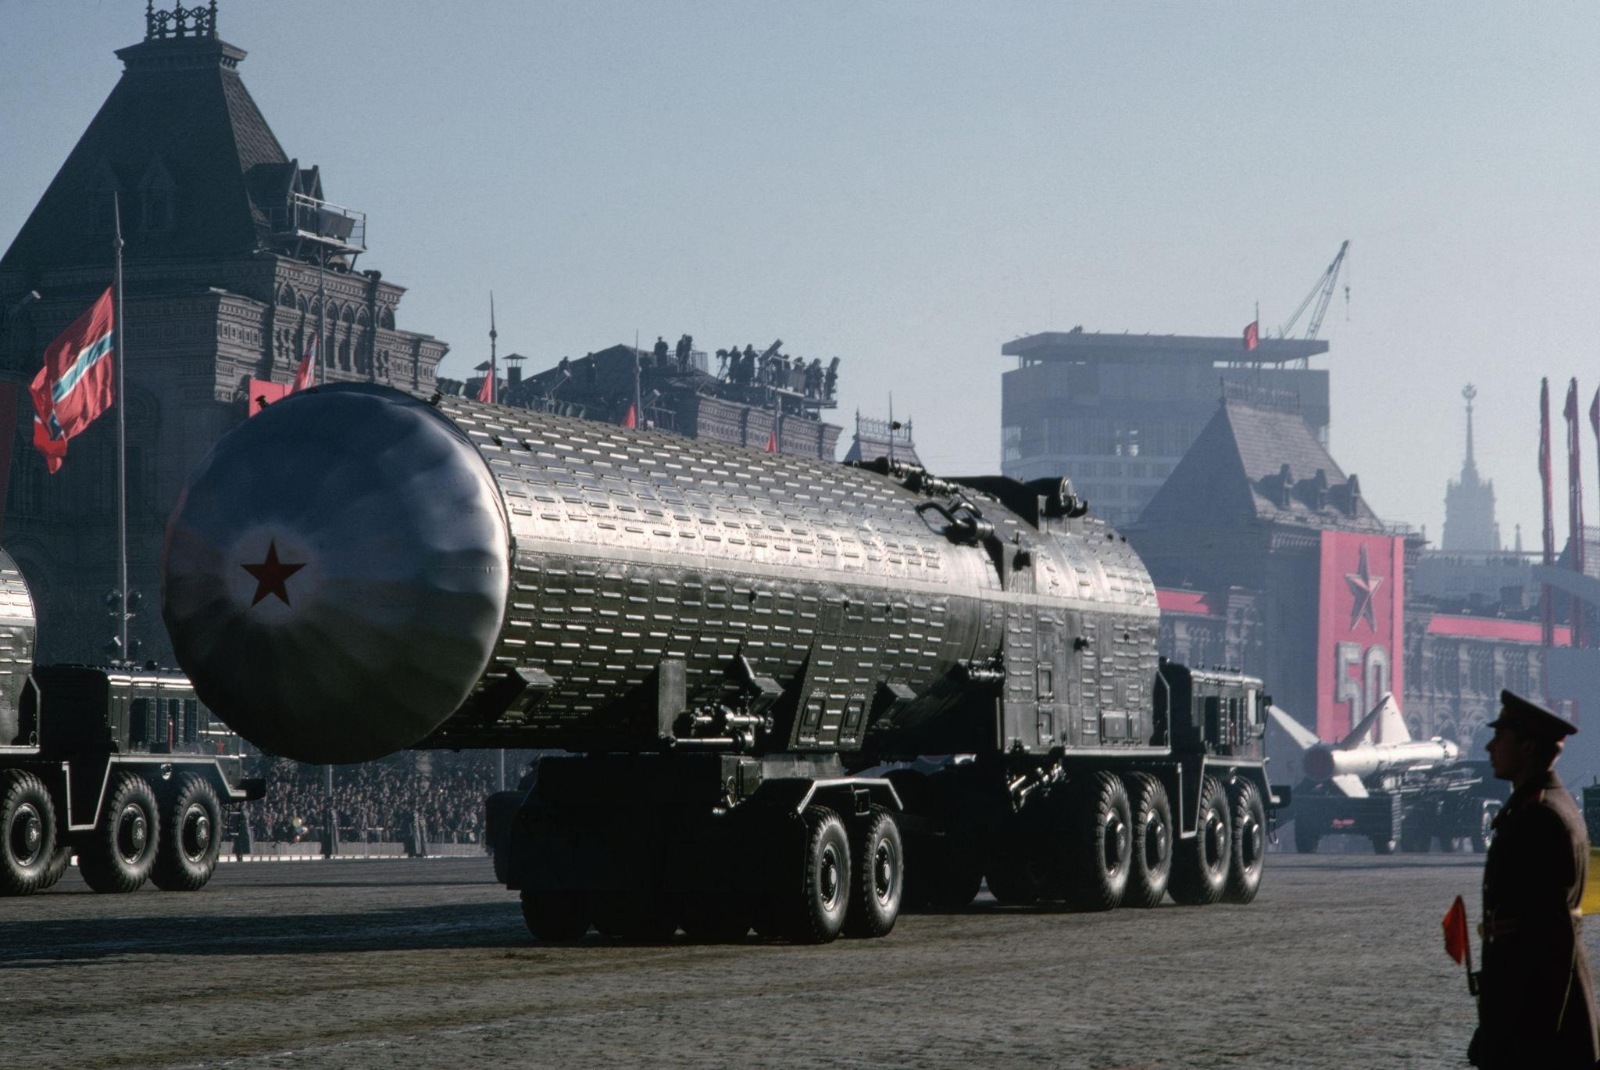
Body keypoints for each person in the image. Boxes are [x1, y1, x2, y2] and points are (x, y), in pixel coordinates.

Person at [1469, 689, 1599, 1068]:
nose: (1490, 747)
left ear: (1527, 747)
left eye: (1500, 738)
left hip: (1535, 1017)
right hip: (1530, 1008)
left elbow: (1550, 938)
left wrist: (1530, 1040)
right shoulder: (1546, 806)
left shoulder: (1540, 817)